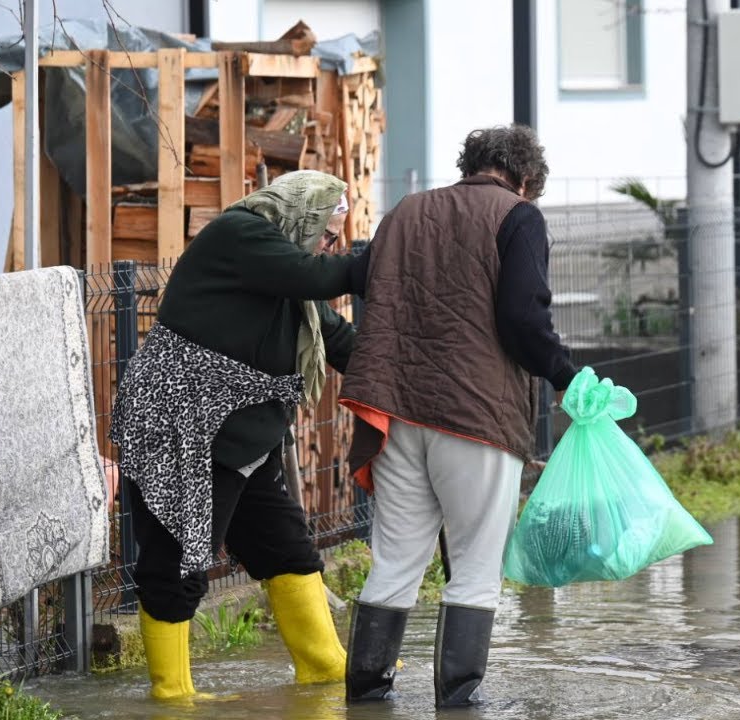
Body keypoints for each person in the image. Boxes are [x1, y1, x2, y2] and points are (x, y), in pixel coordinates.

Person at [338, 125, 577, 706]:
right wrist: (569, 376)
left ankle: (366, 697)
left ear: (470, 165)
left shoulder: (405, 212)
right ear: (525, 178)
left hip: (392, 411)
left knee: (395, 561)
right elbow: (523, 319)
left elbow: (360, 280)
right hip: (475, 415)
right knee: (474, 565)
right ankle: (458, 703)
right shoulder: (519, 216)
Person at [109, 170, 365, 702]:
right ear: (302, 215)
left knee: (286, 548)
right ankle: (172, 697)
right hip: (183, 424)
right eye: (328, 232)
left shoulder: (286, 282)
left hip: (244, 437)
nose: (330, 246)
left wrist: (416, 379)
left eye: (336, 239)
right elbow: (313, 276)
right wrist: (381, 261)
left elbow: (339, 340)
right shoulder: (241, 236)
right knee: (177, 560)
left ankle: (326, 670)